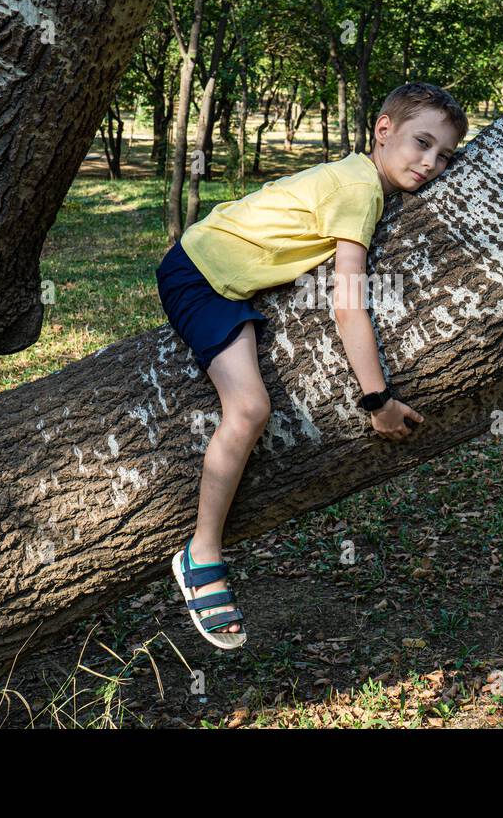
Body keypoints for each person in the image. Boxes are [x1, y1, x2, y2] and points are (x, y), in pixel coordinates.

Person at [155, 82, 468, 648]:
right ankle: (200, 554)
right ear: (383, 129)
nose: (430, 163)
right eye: (422, 143)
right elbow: (348, 306)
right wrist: (377, 400)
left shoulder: (357, 179)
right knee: (249, 409)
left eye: (444, 155)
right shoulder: (357, 192)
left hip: (222, 268)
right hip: (200, 274)